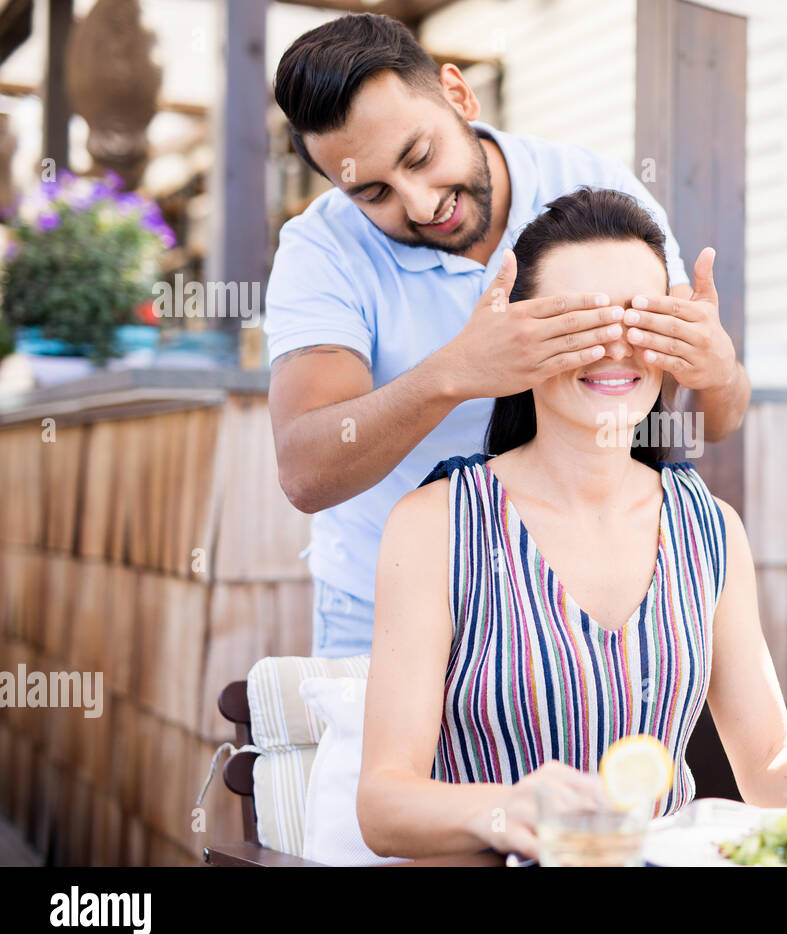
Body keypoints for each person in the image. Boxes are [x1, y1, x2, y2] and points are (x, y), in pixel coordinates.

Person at [356, 188, 787, 861]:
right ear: (519, 338)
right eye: (580, 321)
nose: (617, 348)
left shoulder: (710, 527)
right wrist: (507, 809)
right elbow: (383, 804)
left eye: (643, 320)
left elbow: (767, 766)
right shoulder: (437, 526)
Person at [265, 14, 750, 658]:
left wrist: (717, 371)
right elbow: (306, 472)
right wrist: (455, 373)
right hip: (389, 604)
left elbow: (714, 418)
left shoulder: (591, 192)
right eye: (372, 191)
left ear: (459, 95)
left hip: (586, 594)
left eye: (420, 157)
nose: (419, 204)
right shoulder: (321, 250)